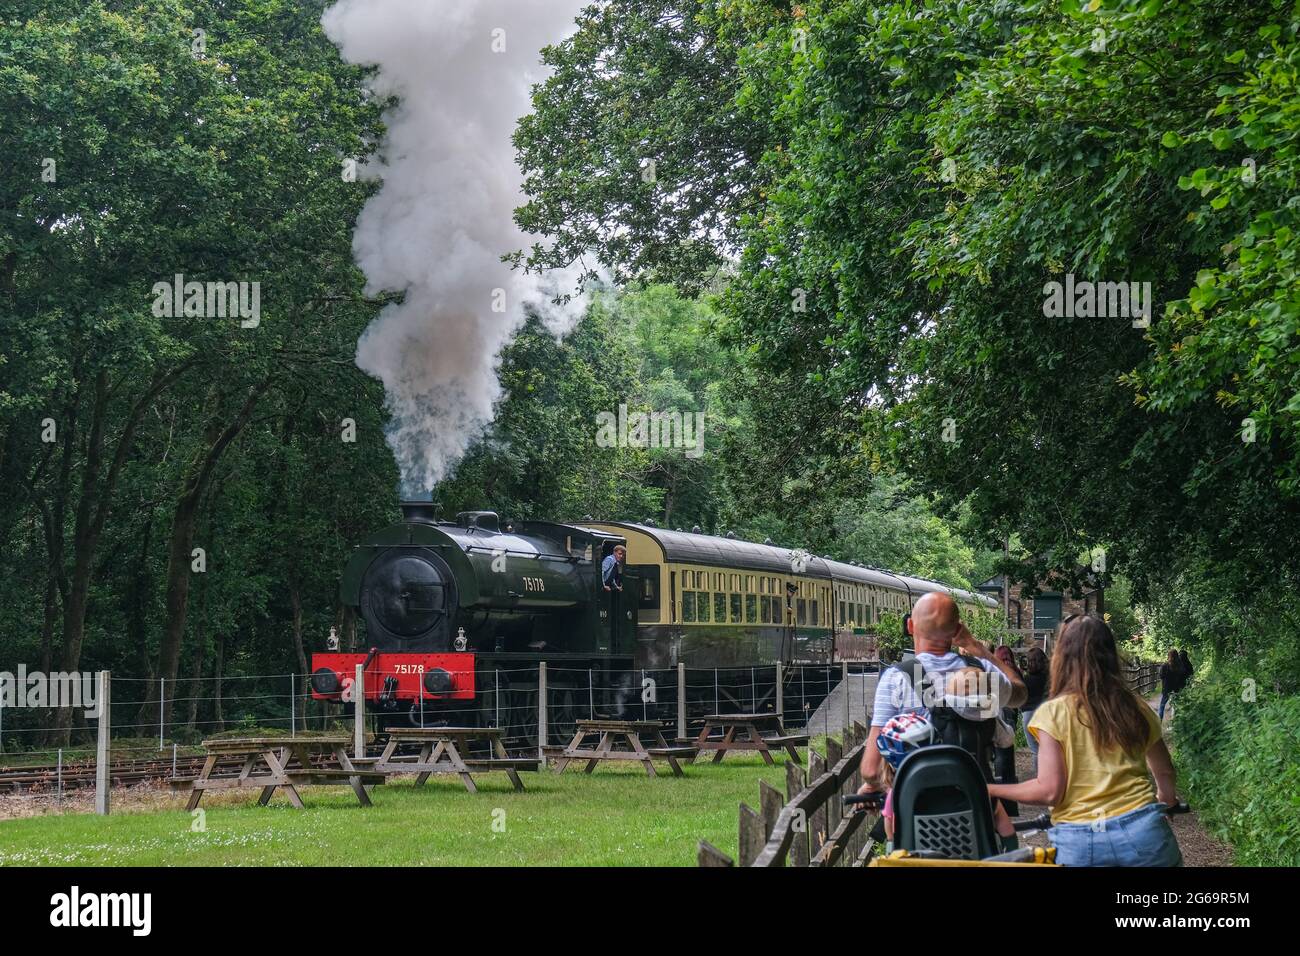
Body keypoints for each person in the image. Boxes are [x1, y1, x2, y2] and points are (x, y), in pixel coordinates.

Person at [987, 614, 1183, 867]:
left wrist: (990, 789)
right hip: (1143, 833)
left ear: (1062, 657)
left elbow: (1049, 790)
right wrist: (1167, 801)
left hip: (1080, 841)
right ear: (1110, 654)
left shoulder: (1052, 713)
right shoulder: (1136, 707)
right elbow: (1164, 771)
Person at [858, 592, 1028, 846]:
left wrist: (871, 787)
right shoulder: (981, 673)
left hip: (919, 816)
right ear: (958, 629)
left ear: (910, 626)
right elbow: (1020, 695)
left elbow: (871, 769)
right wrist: (979, 650)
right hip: (978, 808)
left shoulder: (896, 678)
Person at [991, 644, 1022, 816]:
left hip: (1002, 711)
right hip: (1009, 711)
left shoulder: (996, 670)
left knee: (1002, 755)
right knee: (1006, 751)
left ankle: (1004, 796)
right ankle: (1008, 802)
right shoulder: (1012, 669)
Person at [1020, 646, 1050, 770]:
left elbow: (1020, 700)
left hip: (1029, 716)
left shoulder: (1026, 680)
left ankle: (1039, 777)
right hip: (1046, 714)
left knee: (1035, 750)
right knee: (1047, 749)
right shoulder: (1050, 679)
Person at [1158, 648, 1187, 721]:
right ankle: (1173, 723)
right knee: (1175, 706)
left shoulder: (1165, 665)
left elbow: (1161, 676)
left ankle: (1159, 721)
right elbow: (1183, 675)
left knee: (1162, 705)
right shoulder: (1180, 666)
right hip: (1176, 688)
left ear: (1169, 656)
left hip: (1166, 688)